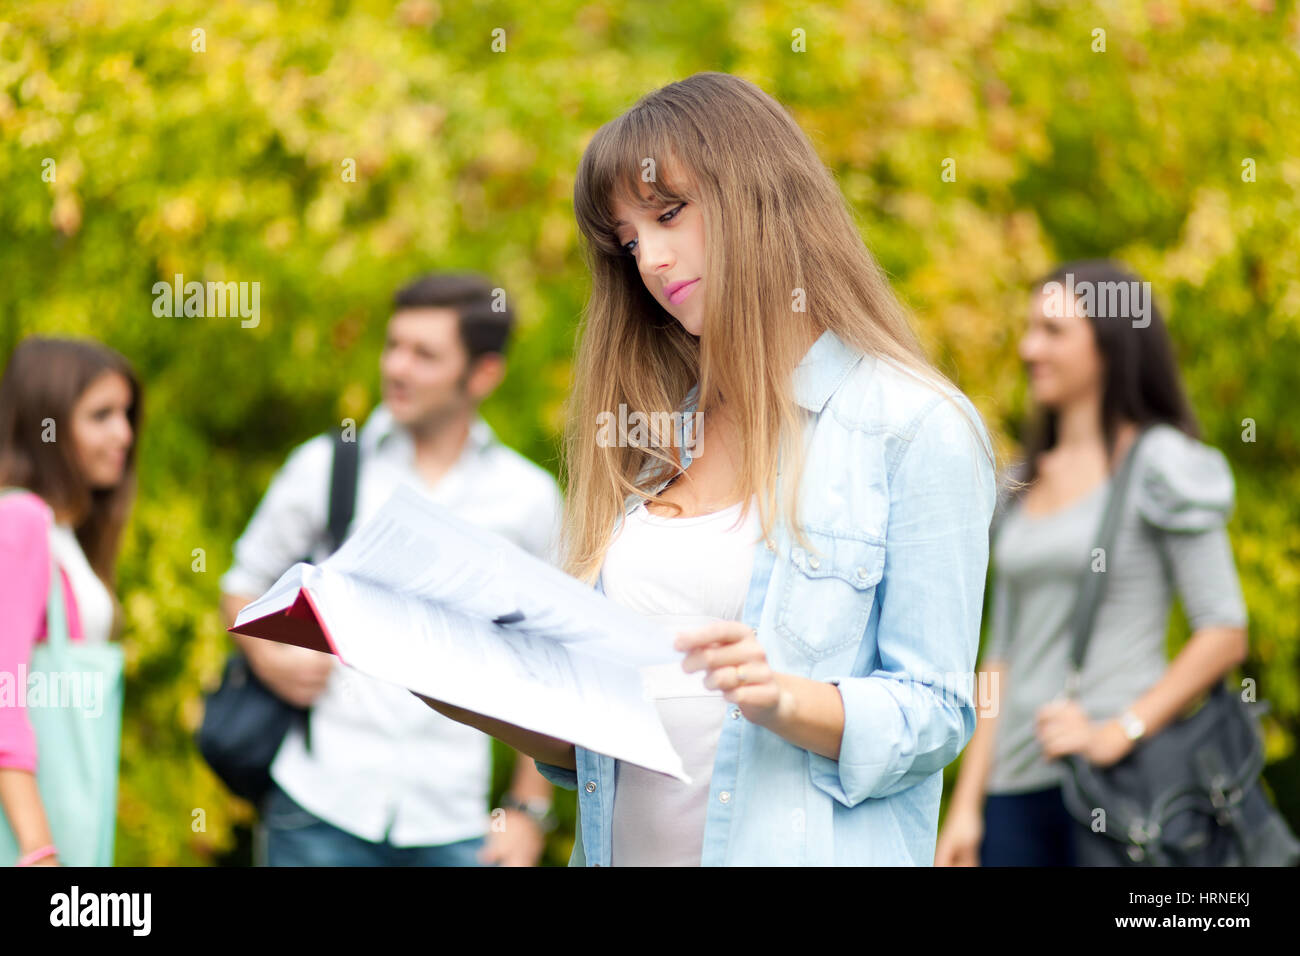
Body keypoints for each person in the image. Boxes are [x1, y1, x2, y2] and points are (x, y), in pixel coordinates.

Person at [415, 71, 996, 865]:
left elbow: (935, 713)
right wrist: (462, 683)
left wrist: (784, 699)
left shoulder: (914, 426)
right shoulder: (651, 441)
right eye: (627, 240)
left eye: (668, 213)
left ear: (759, 193)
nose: (649, 260)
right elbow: (600, 746)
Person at [219, 273, 563, 867]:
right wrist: (273, 659)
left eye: (424, 354)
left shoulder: (527, 499)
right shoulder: (327, 465)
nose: (397, 368)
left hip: (453, 825)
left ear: (482, 374)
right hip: (317, 809)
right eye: (393, 345)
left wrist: (527, 813)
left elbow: (551, 663)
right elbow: (241, 583)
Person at [934, 260, 1250, 867]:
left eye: (1052, 331)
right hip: (1012, 791)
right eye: (1029, 329)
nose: (1029, 348)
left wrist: (1119, 730)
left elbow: (1224, 631)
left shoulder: (1162, 464)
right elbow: (1000, 653)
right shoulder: (1020, 483)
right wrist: (968, 802)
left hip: (1116, 787)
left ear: (1109, 344)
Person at [0, 337, 141, 866]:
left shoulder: (66, 533)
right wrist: (40, 853)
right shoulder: (20, 521)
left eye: (125, 414)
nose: (123, 434)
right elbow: (3, 697)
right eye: (100, 415)